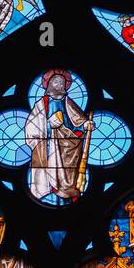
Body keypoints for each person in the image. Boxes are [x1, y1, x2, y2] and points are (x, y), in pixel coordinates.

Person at [24, 68, 92, 202]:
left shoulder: (68, 102)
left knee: (69, 173)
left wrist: (85, 125)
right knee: (48, 170)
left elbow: (78, 120)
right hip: (49, 145)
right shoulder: (41, 104)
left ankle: (67, 191)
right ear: (49, 85)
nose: (59, 85)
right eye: (56, 82)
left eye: (62, 83)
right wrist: (49, 125)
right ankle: (49, 193)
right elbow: (31, 127)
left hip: (68, 145)